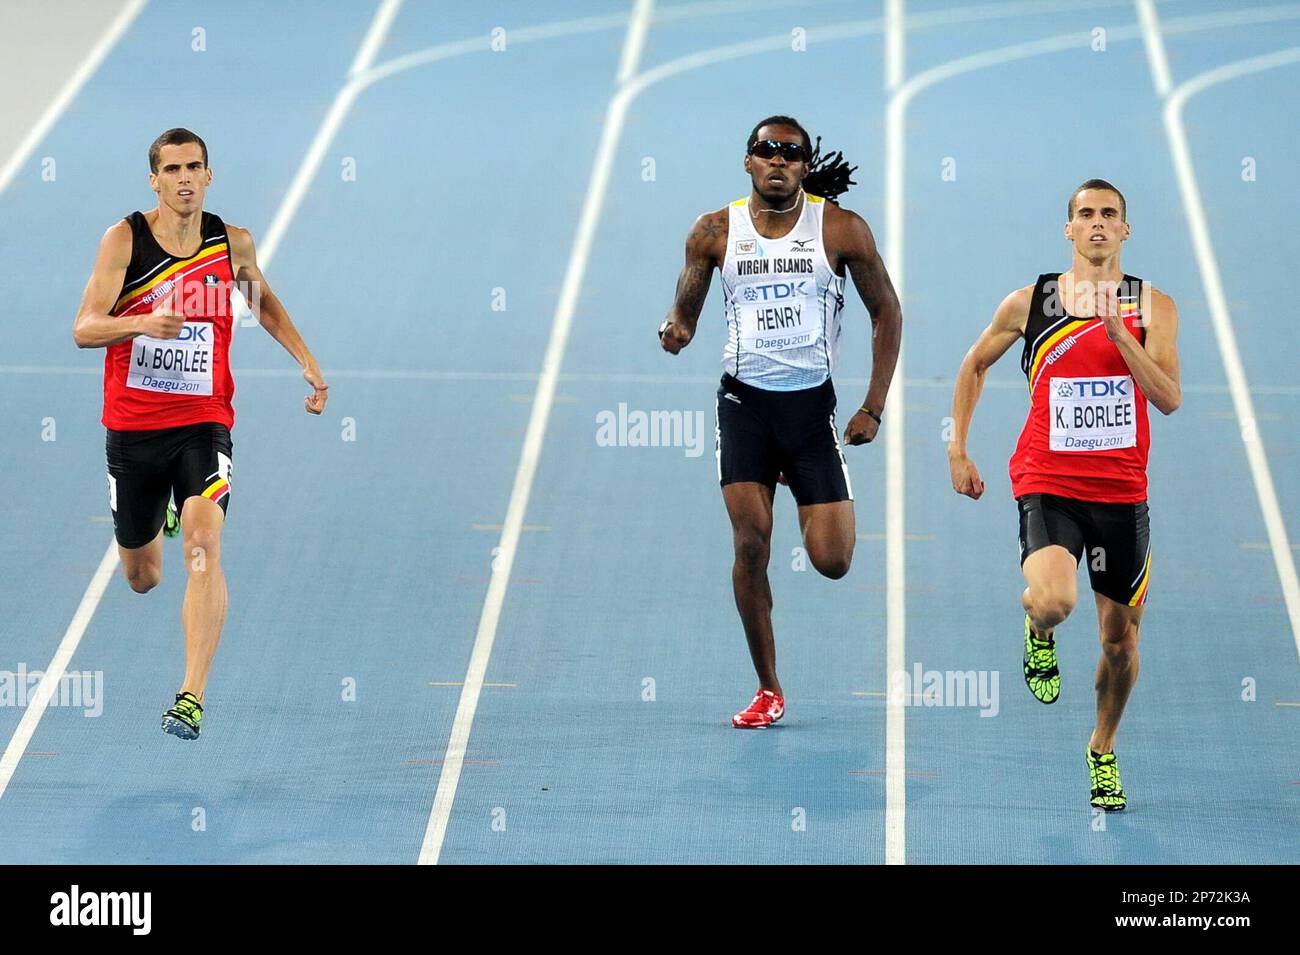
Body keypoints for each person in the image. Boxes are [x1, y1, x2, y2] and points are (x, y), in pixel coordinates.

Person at [72, 127, 330, 740]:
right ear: (154, 180)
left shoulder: (230, 243)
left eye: (195, 167)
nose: (184, 178)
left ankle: (190, 694)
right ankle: (156, 512)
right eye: (172, 169)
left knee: (203, 543)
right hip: (133, 429)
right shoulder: (125, 242)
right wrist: (140, 323)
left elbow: (258, 302)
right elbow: (84, 328)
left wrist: (306, 359)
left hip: (204, 423)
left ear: (209, 176)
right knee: (142, 578)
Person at [659, 115, 902, 728]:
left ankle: (804, 475)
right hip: (745, 406)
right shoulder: (714, 232)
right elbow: (685, 306)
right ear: (748, 162)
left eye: (790, 154)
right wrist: (678, 328)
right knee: (750, 543)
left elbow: (887, 313)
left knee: (833, 561)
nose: (777, 161)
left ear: (804, 165)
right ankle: (769, 688)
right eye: (766, 151)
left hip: (810, 410)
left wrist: (873, 404)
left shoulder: (841, 230)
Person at [947, 180, 1182, 809]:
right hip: (1048, 482)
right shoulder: (1032, 303)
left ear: (1125, 230)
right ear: (1069, 230)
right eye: (1086, 215)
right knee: (1053, 602)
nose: (1098, 224)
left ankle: (1102, 748)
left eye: (1109, 215)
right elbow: (974, 364)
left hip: (1121, 494)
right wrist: (958, 448)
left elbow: (1168, 398)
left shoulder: (1154, 307)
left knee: (1120, 643)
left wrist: (1120, 333)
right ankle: (1039, 632)